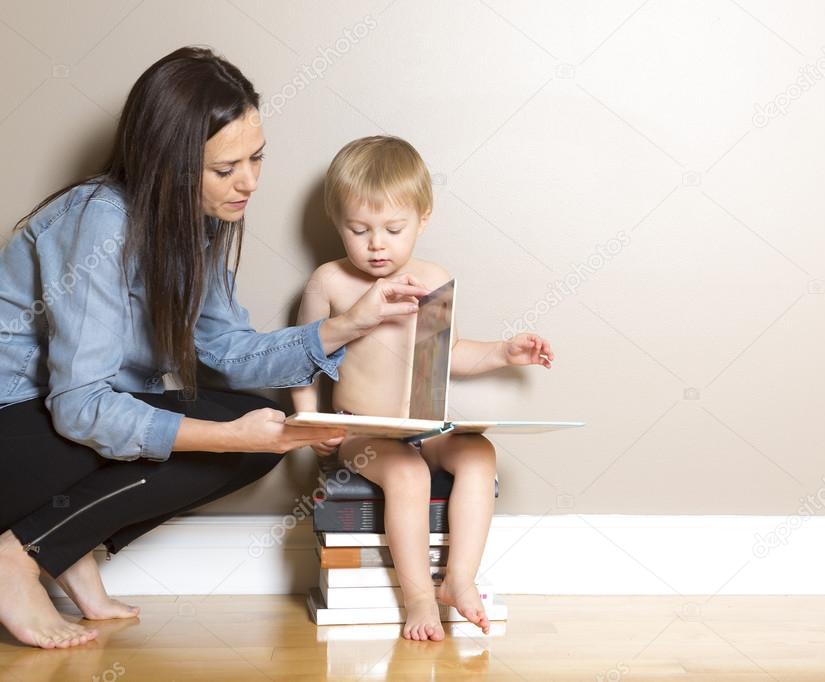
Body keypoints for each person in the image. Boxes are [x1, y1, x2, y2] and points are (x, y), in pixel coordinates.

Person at [0, 48, 430, 650]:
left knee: (264, 424)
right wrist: (235, 437)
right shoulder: (100, 219)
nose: (248, 182)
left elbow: (229, 350)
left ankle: (60, 548)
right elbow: (80, 407)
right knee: (239, 436)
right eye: (225, 168)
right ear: (170, 164)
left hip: (58, 422)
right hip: (12, 425)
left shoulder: (197, 222)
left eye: (255, 158)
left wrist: (347, 325)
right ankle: (20, 559)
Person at [291, 136, 554, 641]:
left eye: (393, 229)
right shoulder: (330, 282)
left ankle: (458, 580)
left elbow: (445, 356)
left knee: (479, 454)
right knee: (408, 474)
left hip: (425, 424)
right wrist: (310, 423)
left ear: (423, 218)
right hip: (362, 436)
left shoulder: (433, 278)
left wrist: (503, 352)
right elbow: (305, 358)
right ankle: (417, 598)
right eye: (358, 229)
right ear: (336, 222)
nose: (376, 244)